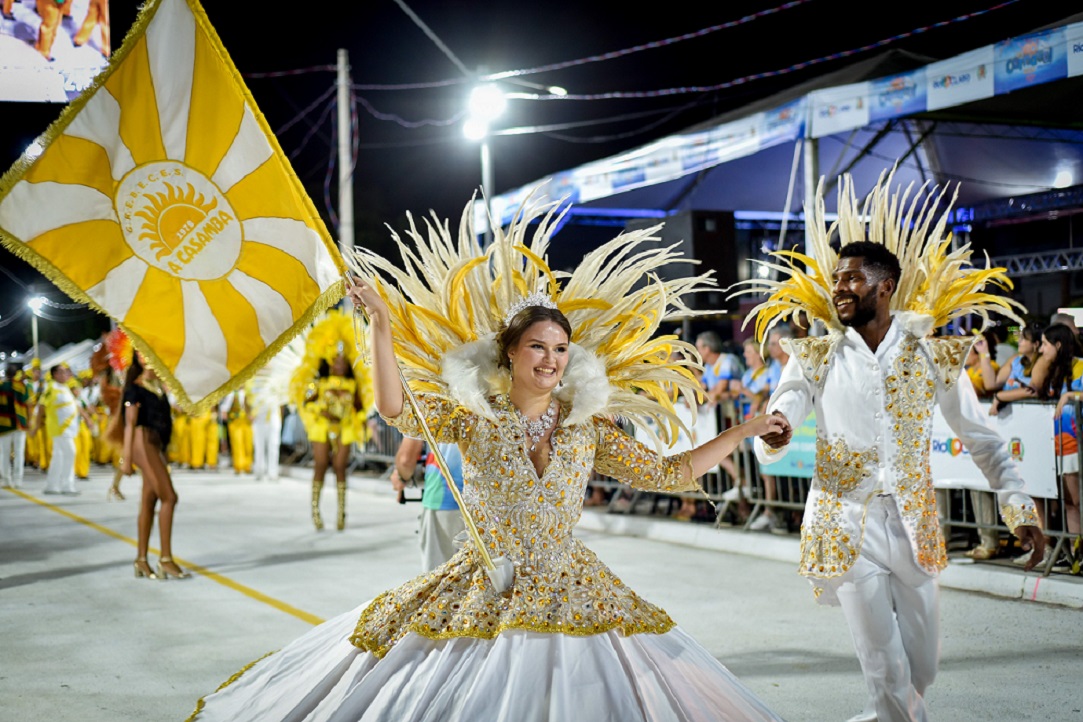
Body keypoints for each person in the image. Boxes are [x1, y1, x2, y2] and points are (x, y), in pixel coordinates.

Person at [189, 194, 787, 722]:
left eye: (560, 349)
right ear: (510, 353)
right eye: (537, 347)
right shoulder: (476, 417)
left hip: (570, 582)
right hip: (484, 582)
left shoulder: (586, 427)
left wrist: (747, 428)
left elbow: (668, 473)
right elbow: (396, 409)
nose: (551, 360)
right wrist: (380, 323)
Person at [740, 172, 1045, 722]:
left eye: (851, 279)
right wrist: (777, 430)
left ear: (884, 286)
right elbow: (783, 408)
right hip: (845, 525)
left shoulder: (932, 354)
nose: (838, 289)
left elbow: (983, 440)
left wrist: (1016, 503)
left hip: (914, 525)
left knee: (920, 671)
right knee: (886, 671)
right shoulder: (814, 354)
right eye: (835, 280)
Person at [290, 310, 373, 532]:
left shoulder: (354, 386)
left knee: (339, 467)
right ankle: (316, 513)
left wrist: (359, 420)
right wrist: (321, 411)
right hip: (322, 428)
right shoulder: (320, 384)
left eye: (343, 362)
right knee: (320, 465)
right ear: (329, 361)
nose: (340, 365)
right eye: (336, 361)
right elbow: (306, 404)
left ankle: (340, 513)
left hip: (344, 428)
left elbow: (361, 408)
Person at [111, 353, 190, 580]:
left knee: (150, 500)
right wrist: (126, 459)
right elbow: (129, 424)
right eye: (139, 351)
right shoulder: (135, 388)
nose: (144, 356)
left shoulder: (158, 386)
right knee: (170, 497)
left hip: (155, 444)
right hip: (141, 442)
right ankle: (165, 559)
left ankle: (141, 560)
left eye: (148, 350)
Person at [1029, 321, 1083, 569]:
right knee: (1069, 504)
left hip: (1075, 444)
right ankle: (1076, 553)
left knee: (1077, 500)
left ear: (1059, 345)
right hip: (1056, 445)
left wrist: (1069, 395)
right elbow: (1035, 384)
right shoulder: (1053, 369)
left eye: (1046, 345)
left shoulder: (1080, 366)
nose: (1041, 350)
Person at [392, 436, 467, 571]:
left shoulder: (431, 413)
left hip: (444, 497)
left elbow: (405, 460)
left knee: (440, 581)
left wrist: (400, 476)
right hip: (491, 501)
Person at [961, 329, 1002, 560]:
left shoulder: (990, 366)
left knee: (980, 486)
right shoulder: (965, 370)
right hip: (965, 437)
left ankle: (990, 541)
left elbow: (982, 388)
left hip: (985, 438)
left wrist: (984, 354)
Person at [747, 324, 790, 533]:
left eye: (774, 344)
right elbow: (768, 393)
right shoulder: (774, 367)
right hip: (775, 426)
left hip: (798, 427)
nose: (770, 348)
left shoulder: (798, 364)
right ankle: (771, 511)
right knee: (769, 469)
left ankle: (788, 513)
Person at [37, 364, 80, 496]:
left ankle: (52, 485)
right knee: (70, 453)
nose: (65, 374)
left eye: (66, 372)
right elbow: (42, 406)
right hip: (60, 428)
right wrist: (37, 425)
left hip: (67, 428)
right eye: (61, 372)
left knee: (59, 456)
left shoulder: (65, 387)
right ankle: (67, 485)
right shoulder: (51, 387)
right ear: (54, 374)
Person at [0, 363, 30, 490]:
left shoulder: (1, 386)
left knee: (4, 454)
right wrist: (29, 421)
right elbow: (28, 404)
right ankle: (18, 480)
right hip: (20, 423)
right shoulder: (22, 386)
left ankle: (6, 480)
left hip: (4, 424)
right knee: (19, 452)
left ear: (6, 374)